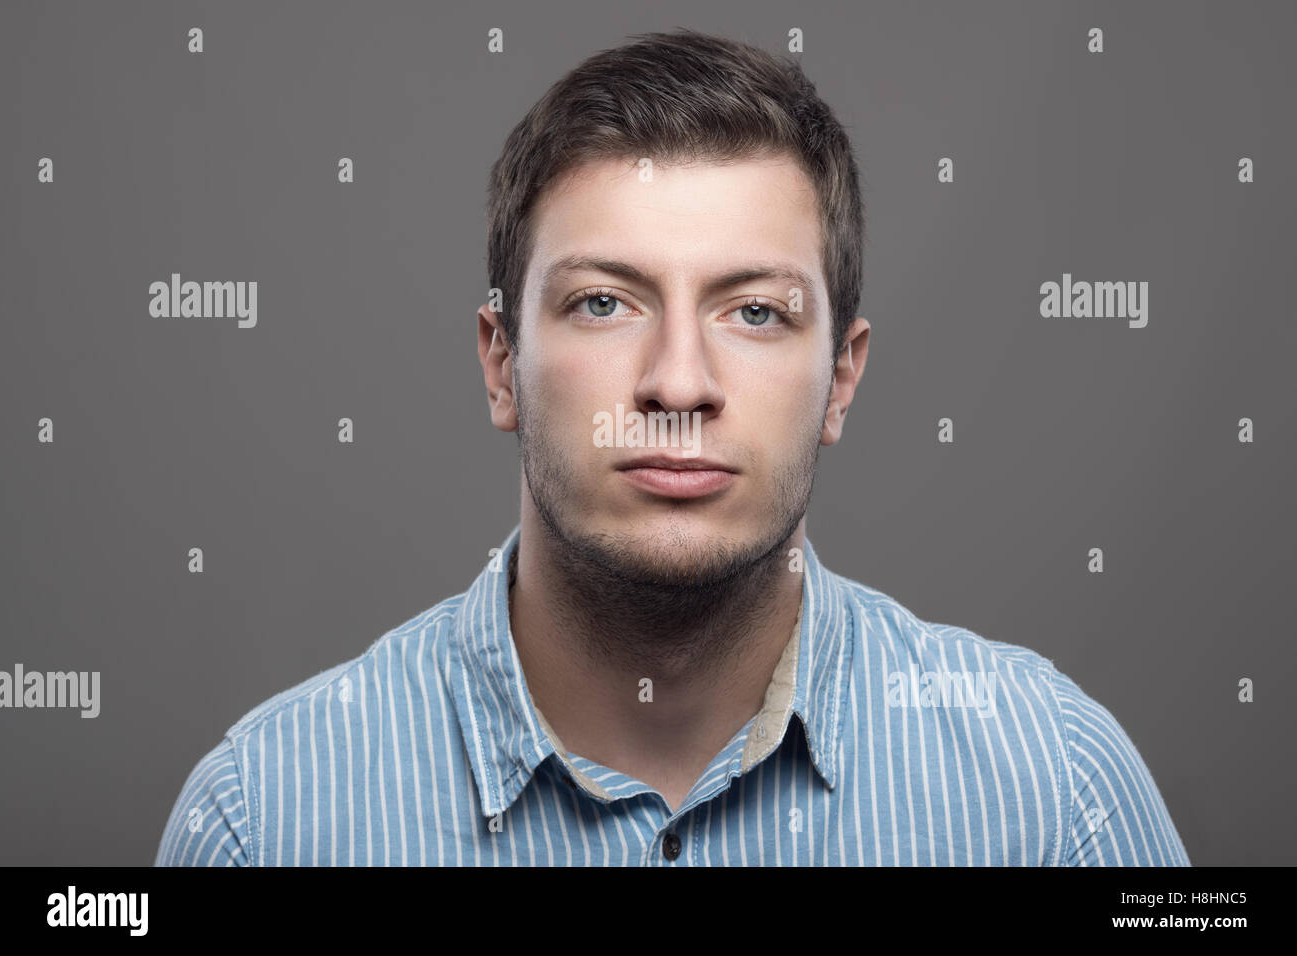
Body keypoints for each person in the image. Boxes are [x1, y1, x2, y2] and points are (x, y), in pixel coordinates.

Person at [156, 28, 1189, 866]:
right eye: (604, 302)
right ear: (500, 361)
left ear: (840, 378)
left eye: (753, 311)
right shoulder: (266, 820)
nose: (679, 383)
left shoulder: (1057, 791)